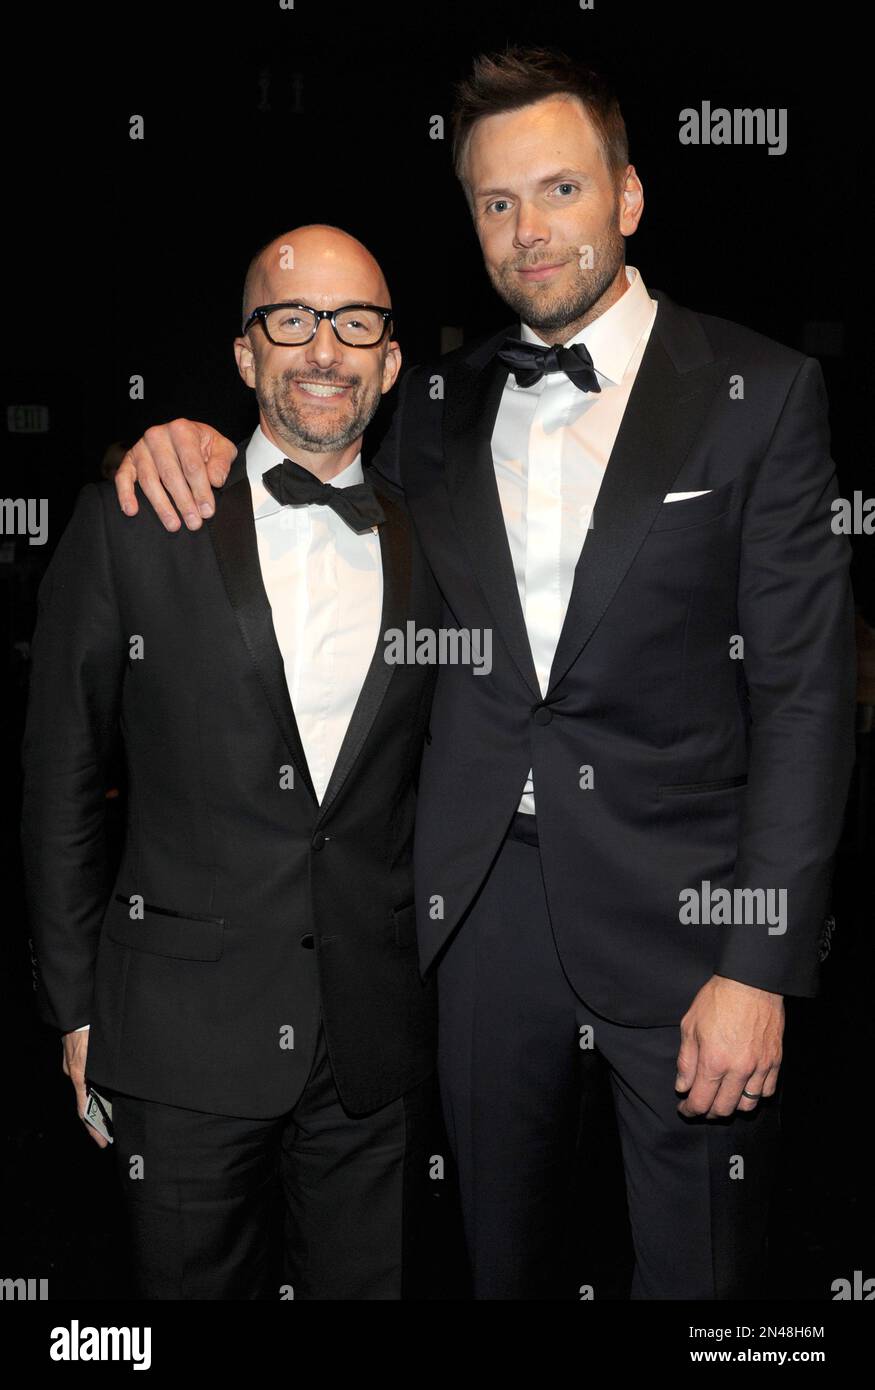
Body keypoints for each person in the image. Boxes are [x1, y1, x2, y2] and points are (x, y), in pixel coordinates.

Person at [112, 48, 857, 1299]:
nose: (527, 230)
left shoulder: (759, 395)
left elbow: (801, 698)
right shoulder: (433, 405)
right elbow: (307, 438)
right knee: (488, 1262)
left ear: (626, 197)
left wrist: (756, 966)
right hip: (470, 925)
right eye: (494, 202)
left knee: (701, 1279)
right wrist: (186, 432)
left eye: (559, 191)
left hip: (690, 932)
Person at [21, 224, 443, 1300]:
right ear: (245, 353)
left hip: (369, 1048)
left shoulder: (438, 543)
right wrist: (74, 1006)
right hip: (175, 1039)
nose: (322, 349)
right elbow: (59, 781)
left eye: (355, 323)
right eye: (289, 320)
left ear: (390, 360)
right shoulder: (134, 521)